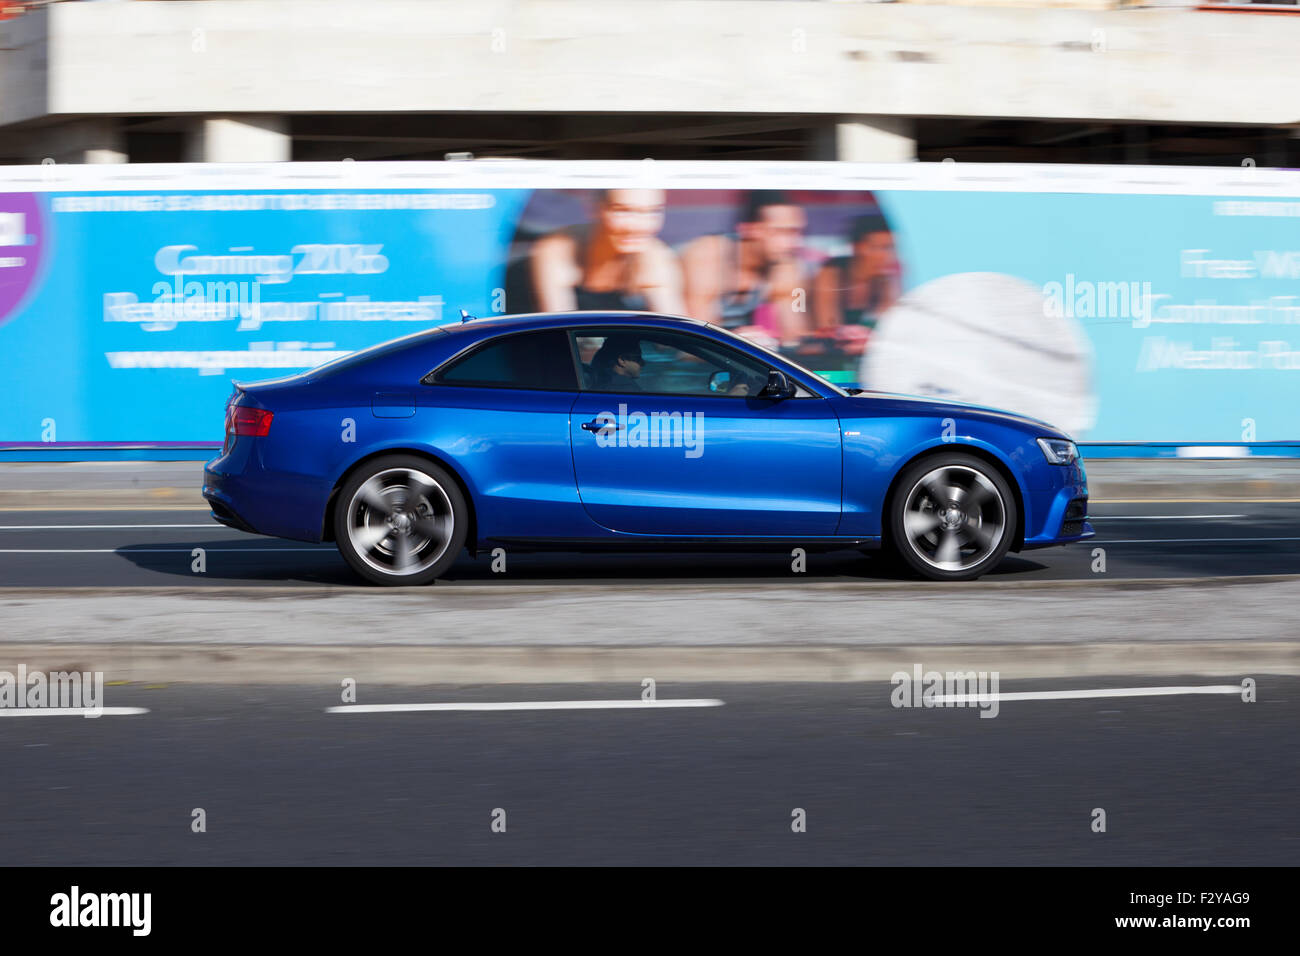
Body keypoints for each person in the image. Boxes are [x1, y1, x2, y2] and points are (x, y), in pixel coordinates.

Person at [680, 190, 812, 345]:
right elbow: (695, 339)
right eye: (782, 232)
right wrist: (744, 342)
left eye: (798, 232)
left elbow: (796, 340)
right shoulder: (707, 256)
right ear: (748, 229)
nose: (795, 243)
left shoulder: (785, 264)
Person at [528, 189, 685, 314]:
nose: (638, 226)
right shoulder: (558, 249)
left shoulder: (657, 256)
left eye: (653, 212)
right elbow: (559, 332)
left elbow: (680, 336)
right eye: (622, 210)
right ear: (597, 209)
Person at [814, 213, 900, 333]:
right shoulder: (832, 273)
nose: (887, 256)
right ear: (857, 248)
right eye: (880, 248)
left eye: (891, 248)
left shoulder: (884, 280)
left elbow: (890, 327)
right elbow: (828, 328)